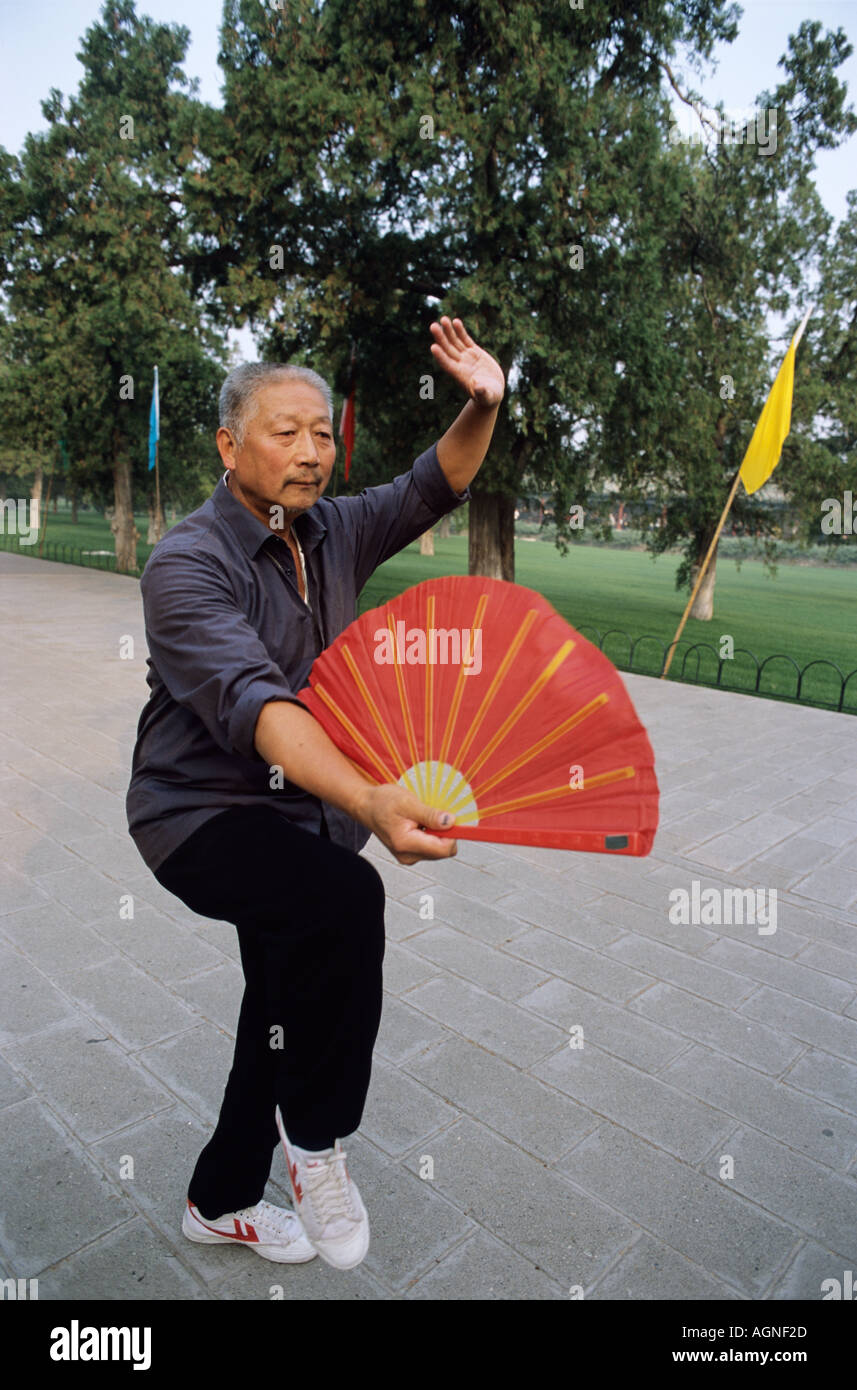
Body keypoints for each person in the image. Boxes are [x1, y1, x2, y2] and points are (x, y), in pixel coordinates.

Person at [125, 317, 505, 1271]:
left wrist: (482, 403)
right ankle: (319, 1143)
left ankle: (217, 1200)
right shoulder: (187, 563)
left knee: (280, 996)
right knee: (342, 901)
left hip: (301, 811)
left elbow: (434, 483)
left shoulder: (329, 527)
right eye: (283, 432)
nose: (308, 453)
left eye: (321, 434)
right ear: (228, 445)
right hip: (203, 813)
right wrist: (374, 801)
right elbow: (260, 708)